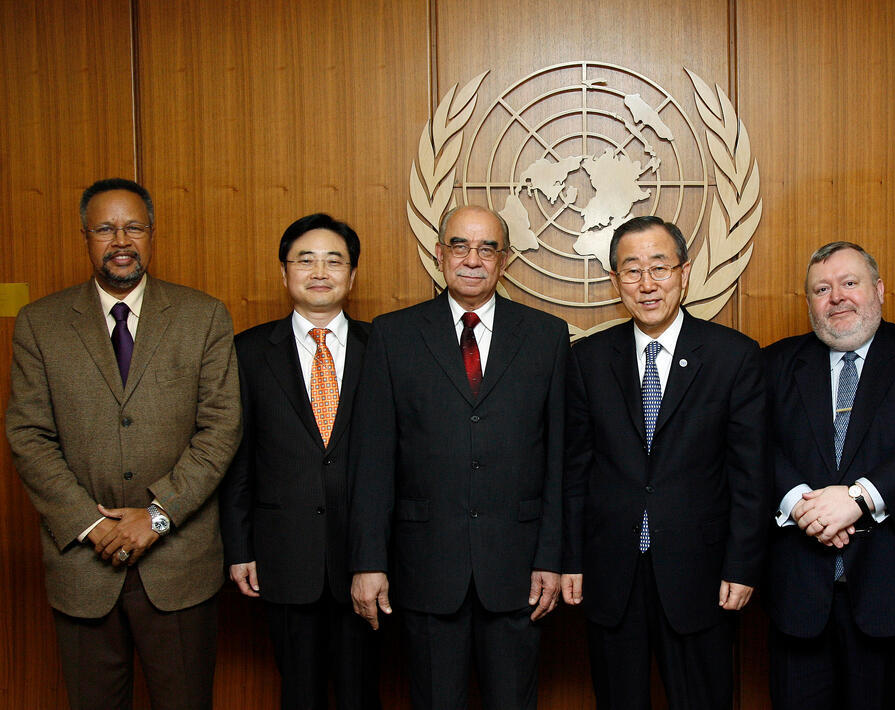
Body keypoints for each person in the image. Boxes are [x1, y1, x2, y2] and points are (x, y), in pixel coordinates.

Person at [5, 178, 241, 710]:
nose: (121, 240)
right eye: (105, 228)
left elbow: (221, 428)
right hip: (83, 568)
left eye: (133, 227)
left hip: (179, 565)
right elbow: (28, 434)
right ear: (85, 236)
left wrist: (156, 516)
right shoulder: (40, 324)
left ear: (152, 235)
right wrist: (93, 525)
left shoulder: (202, 316)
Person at [348, 205, 568, 710]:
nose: (473, 259)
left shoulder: (546, 336)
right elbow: (374, 458)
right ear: (439, 253)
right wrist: (368, 560)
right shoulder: (394, 334)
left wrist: (551, 557)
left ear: (505, 260)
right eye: (460, 246)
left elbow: (558, 460)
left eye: (487, 247)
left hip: (518, 572)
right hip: (425, 567)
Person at [562, 215, 771, 710]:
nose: (647, 283)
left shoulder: (734, 357)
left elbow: (750, 476)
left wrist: (742, 566)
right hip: (612, 572)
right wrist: (570, 557)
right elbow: (574, 471)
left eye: (660, 267)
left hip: (701, 575)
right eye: (631, 270)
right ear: (615, 281)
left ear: (685, 272)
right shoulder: (587, 360)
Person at [762, 241, 895, 710]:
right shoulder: (774, 365)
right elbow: (754, 445)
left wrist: (858, 498)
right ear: (810, 303)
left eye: (849, 283)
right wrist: (799, 502)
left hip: (891, 593)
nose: (836, 297)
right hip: (798, 592)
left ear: (878, 289)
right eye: (821, 288)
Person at [219, 213, 379, 709]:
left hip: (366, 560)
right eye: (304, 260)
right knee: (298, 694)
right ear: (283, 272)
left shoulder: (387, 348)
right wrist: (239, 546)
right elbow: (236, 458)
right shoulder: (246, 352)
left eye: (334, 261)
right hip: (283, 557)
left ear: (352, 276)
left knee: (362, 694)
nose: (319, 272)